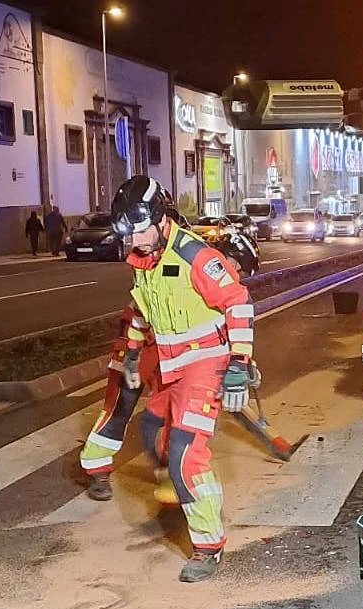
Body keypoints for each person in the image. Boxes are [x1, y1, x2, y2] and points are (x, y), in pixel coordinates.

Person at [109, 175, 255, 583]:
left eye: (139, 229)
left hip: (205, 364)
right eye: (128, 232)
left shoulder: (194, 255)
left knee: (185, 451)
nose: (134, 239)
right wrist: (134, 356)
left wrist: (239, 364)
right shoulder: (144, 262)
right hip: (172, 369)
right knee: (151, 428)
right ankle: (177, 486)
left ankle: (208, 545)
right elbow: (141, 312)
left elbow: (238, 303)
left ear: (159, 219)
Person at [79, 306, 165, 501]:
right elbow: (143, 297)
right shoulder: (150, 275)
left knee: (169, 408)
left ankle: (171, 467)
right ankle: (97, 466)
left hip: (174, 342)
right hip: (138, 335)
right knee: (120, 405)